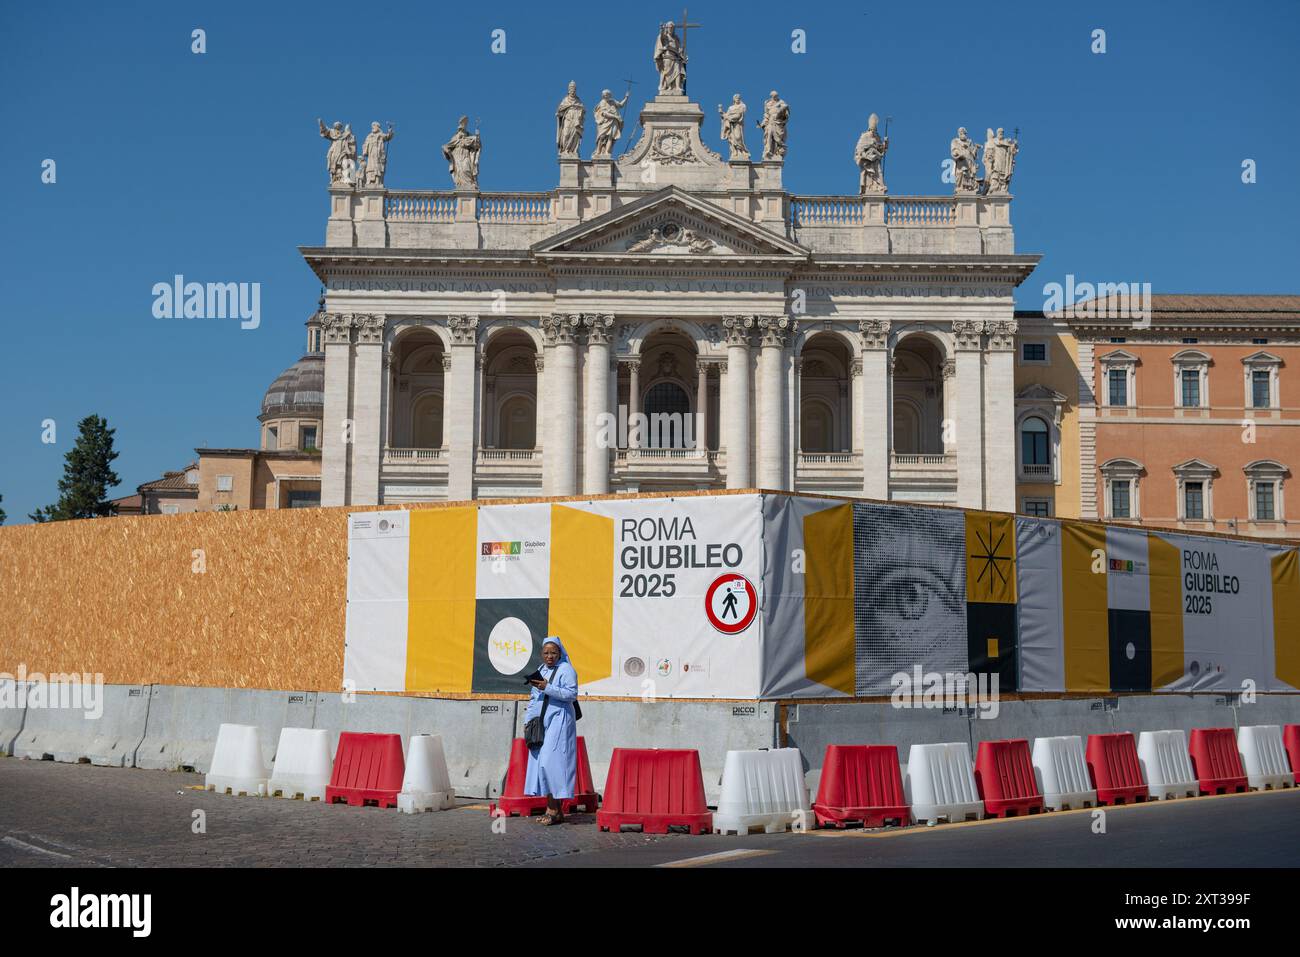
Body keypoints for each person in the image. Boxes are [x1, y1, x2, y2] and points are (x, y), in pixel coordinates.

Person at [524, 636, 578, 824]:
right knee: (541, 765)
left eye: (553, 652)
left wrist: (548, 687)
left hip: (559, 721)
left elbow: (572, 694)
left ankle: (553, 809)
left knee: (550, 763)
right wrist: (528, 720)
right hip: (541, 723)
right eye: (546, 653)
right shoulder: (540, 670)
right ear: (541, 654)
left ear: (560, 653)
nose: (549, 656)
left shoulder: (566, 670)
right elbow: (534, 698)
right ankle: (554, 810)